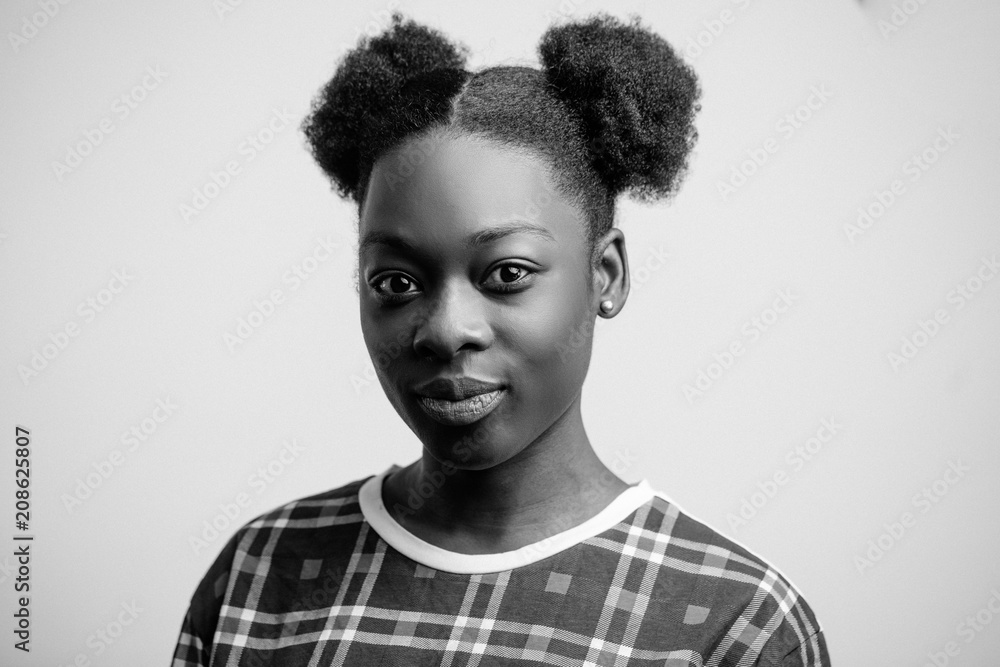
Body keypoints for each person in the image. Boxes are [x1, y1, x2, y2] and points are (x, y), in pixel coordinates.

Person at [173, 12, 830, 666]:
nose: (445, 330)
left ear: (605, 275)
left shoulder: (735, 625)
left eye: (508, 274)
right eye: (397, 282)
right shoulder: (258, 577)